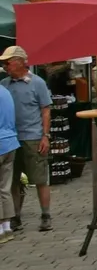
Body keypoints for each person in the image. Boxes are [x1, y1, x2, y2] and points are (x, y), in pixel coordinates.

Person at [1, 46, 52, 232]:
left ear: (21, 61)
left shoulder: (37, 83)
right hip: (12, 138)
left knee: (39, 178)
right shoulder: (5, 84)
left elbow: (46, 110)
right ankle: (15, 216)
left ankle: (45, 214)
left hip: (33, 136)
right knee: (13, 180)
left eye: (9, 62)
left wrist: (45, 136)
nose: (6, 66)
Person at [0, 77, 20, 241]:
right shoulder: (5, 92)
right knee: (5, 187)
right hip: (10, 141)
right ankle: (6, 225)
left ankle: (0, 229)